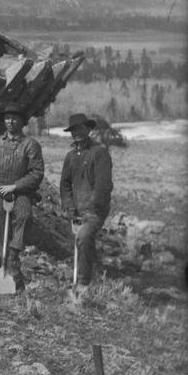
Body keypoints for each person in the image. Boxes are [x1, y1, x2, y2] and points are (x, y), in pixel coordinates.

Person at [0, 102, 44, 292]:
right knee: (0, 233)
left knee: (24, 216)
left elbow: (36, 173)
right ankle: (9, 271)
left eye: (15, 118)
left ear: (22, 122)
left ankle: (14, 254)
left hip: (20, 193)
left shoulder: (30, 144)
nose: (11, 121)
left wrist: (14, 186)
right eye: (7, 118)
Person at [59, 113, 114, 291]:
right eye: (74, 130)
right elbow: (65, 184)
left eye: (81, 129)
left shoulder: (99, 153)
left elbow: (103, 186)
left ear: (88, 130)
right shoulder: (70, 156)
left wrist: (91, 207)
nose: (77, 133)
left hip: (95, 210)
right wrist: (69, 207)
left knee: (82, 238)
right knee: (82, 241)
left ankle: (83, 284)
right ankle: (96, 270)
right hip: (76, 210)